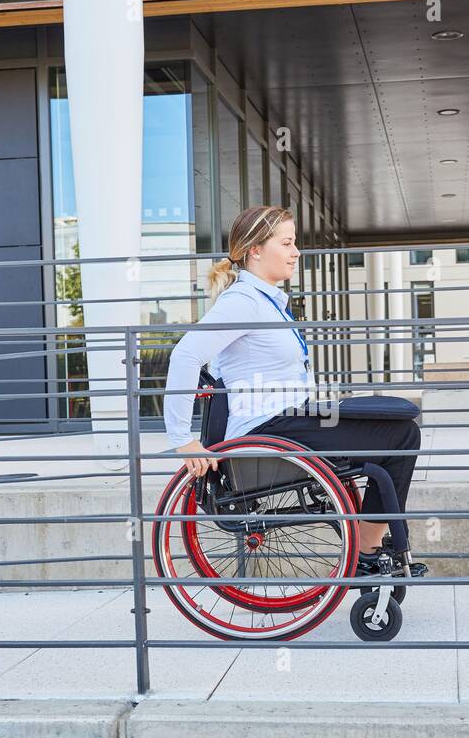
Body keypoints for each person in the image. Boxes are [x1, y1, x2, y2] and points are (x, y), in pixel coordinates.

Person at [162, 204, 421, 567]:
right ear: (255, 250)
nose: (295, 252)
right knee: (401, 437)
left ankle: (368, 540)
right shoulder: (243, 302)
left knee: (397, 427)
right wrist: (184, 440)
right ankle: (366, 546)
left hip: (290, 417)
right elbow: (185, 355)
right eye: (286, 243)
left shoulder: (267, 301)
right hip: (270, 426)